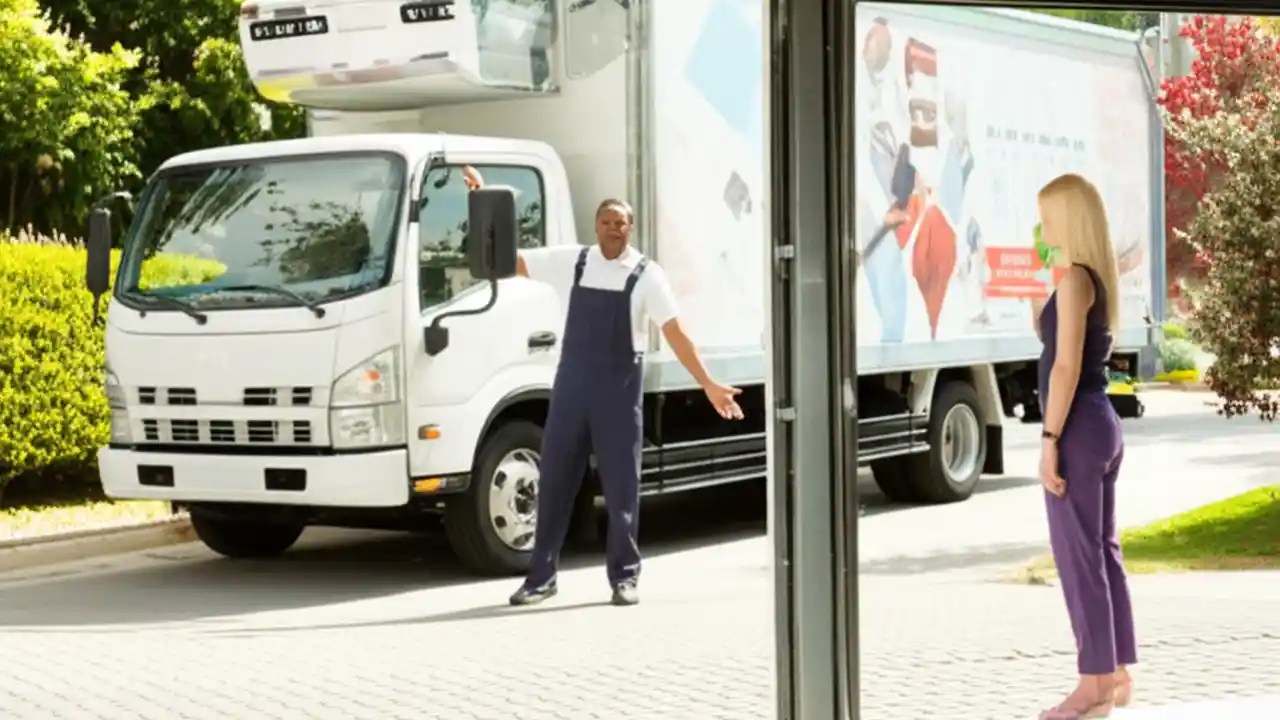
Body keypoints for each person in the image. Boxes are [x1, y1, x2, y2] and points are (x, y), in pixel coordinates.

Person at [461, 168, 744, 607]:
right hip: (572, 386)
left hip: (617, 391)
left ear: (631, 228)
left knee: (621, 489)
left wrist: (706, 382)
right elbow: (509, 260)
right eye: (607, 222)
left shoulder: (647, 275)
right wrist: (481, 203)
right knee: (553, 482)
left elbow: (675, 331)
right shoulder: (574, 261)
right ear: (596, 226)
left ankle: (624, 577)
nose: (614, 229)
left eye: (622, 223)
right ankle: (540, 578)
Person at [1033, 173, 1136, 720]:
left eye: (1048, 218)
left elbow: (1065, 366)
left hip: (1076, 426)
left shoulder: (1075, 279)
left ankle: (1092, 685)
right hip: (1101, 422)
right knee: (1102, 553)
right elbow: (1051, 340)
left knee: (1079, 560)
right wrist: (1038, 276)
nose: (1042, 228)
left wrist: (1049, 439)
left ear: (1068, 220)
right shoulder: (1083, 279)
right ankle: (1115, 672)